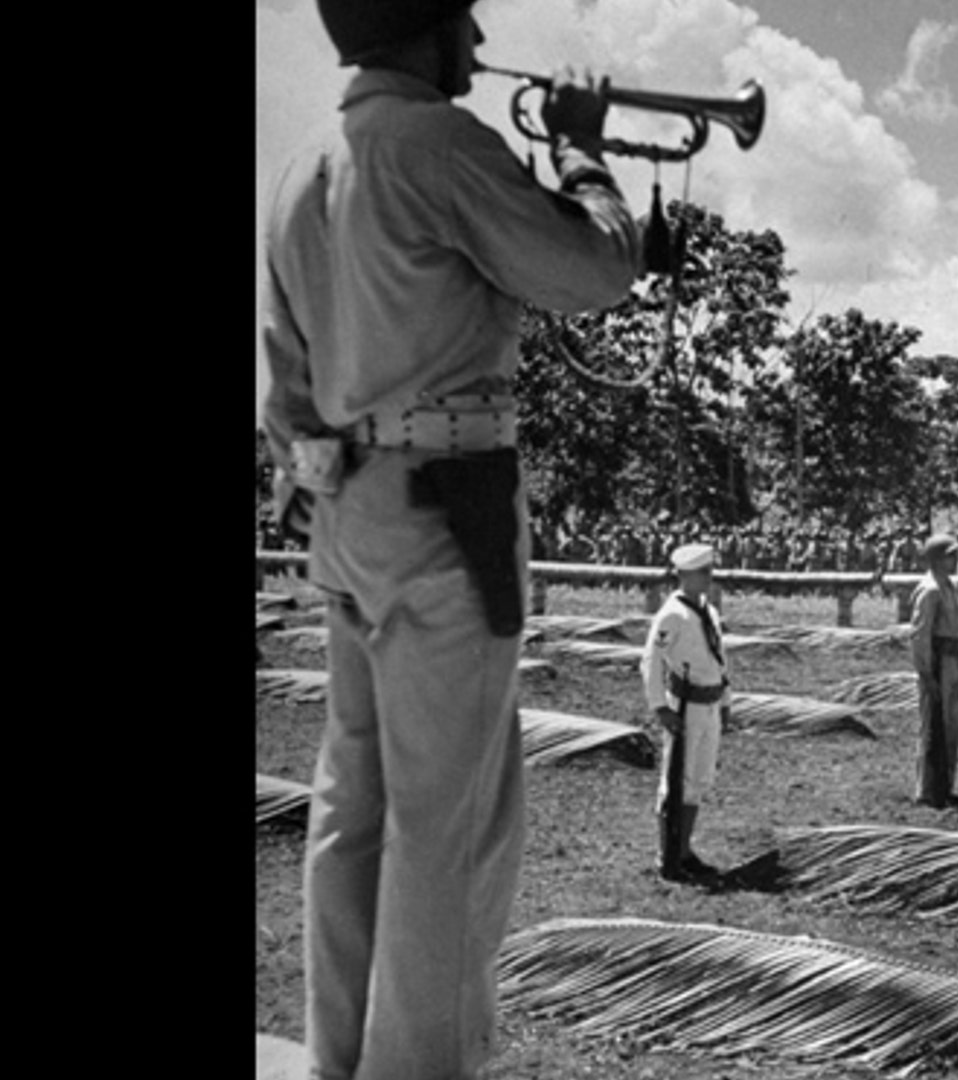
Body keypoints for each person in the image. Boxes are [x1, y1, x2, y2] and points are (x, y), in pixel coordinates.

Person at [260, 2, 645, 1076]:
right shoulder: (438, 143)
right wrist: (581, 153)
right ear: (421, 27)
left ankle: (342, 1058)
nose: (477, 44)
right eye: (462, 19)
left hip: (348, 510)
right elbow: (592, 273)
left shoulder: (303, 168)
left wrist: (331, 487)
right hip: (450, 507)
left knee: (353, 809)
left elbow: (285, 394)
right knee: (450, 826)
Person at [643, 543, 735, 883]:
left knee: (698, 780)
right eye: (703, 573)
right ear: (684, 575)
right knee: (675, 781)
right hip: (686, 707)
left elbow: (719, 661)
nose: (709, 578)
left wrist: (726, 702)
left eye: (710, 572)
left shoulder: (707, 611)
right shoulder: (672, 614)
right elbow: (651, 662)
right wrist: (660, 707)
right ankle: (666, 853)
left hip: (709, 704)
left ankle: (684, 850)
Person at [909, 534, 958, 807]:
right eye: (950, 556)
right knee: (933, 725)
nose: (955, 561)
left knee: (951, 726)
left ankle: (945, 784)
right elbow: (920, 636)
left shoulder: (950, 587)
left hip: (954, 660)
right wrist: (925, 673)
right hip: (938, 662)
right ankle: (928, 789)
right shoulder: (930, 590)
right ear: (935, 559)